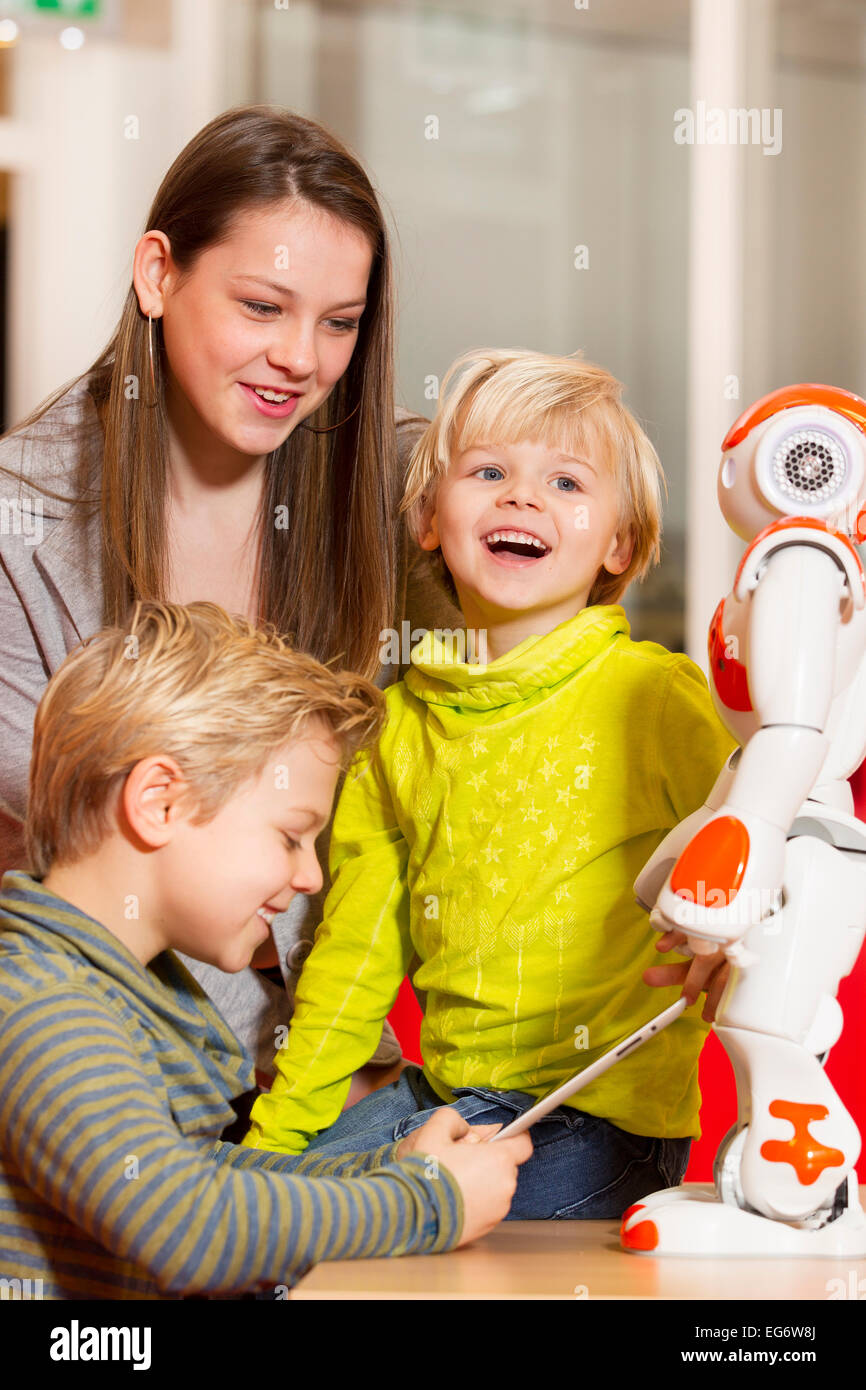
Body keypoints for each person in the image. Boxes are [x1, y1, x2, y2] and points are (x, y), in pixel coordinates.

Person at [0, 104, 462, 1086]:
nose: (301, 358)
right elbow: (73, 848)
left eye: (339, 323)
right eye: (262, 307)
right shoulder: (19, 520)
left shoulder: (394, 486)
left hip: (337, 1072)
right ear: (157, 274)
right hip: (109, 1077)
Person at [242, 347, 737, 1219]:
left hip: (597, 1120)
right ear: (429, 519)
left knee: (392, 1234)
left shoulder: (653, 698)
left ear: (619, 544)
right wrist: (273, 1143)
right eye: (489, 472)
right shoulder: (395, 730)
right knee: (257, 1213)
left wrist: (731, 938)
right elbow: (353, 962)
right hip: (442, 1099)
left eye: (567, 483)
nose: (523, 498)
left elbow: (761, 847)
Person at [0, 600, 531, 1299]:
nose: (311, 876)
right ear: (159, 802)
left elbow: (209, 1175)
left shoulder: (122, 990)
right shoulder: (45, 1003)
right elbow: (182, 1225)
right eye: (290, 836)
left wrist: (391, 1170)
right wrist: (427, 1202)